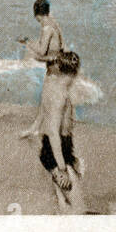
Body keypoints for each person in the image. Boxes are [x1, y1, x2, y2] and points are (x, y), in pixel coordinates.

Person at [34, 51, 85, 213]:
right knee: (79, 209)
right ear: (76, 72)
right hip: (57, 153)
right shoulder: (60, 95)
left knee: (64, 204)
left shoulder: (51, 84)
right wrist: (62, 170)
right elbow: (53, 133)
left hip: (58, 150)